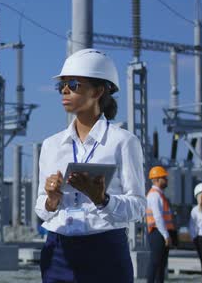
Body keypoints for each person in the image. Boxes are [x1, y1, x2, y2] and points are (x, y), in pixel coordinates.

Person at [35, 48, 146, 283]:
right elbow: (41, 208)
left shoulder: (123, 142)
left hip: (105, 251)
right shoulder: (51, 145)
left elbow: (138, 206)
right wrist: (51, 200)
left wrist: (102, 199)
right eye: (62, 85)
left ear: (98, 90)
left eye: (73, 84)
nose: (64, 90)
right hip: (58, 251)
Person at [146, 166, 176, 283]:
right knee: (156, 263)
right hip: (157, 233)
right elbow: (158, 217)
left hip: (160, 232)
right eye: (164, 178)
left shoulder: (159, 195)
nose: (167, 180)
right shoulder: (154, 195)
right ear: (157, 179)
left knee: (161, 265)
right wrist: (166, 235)